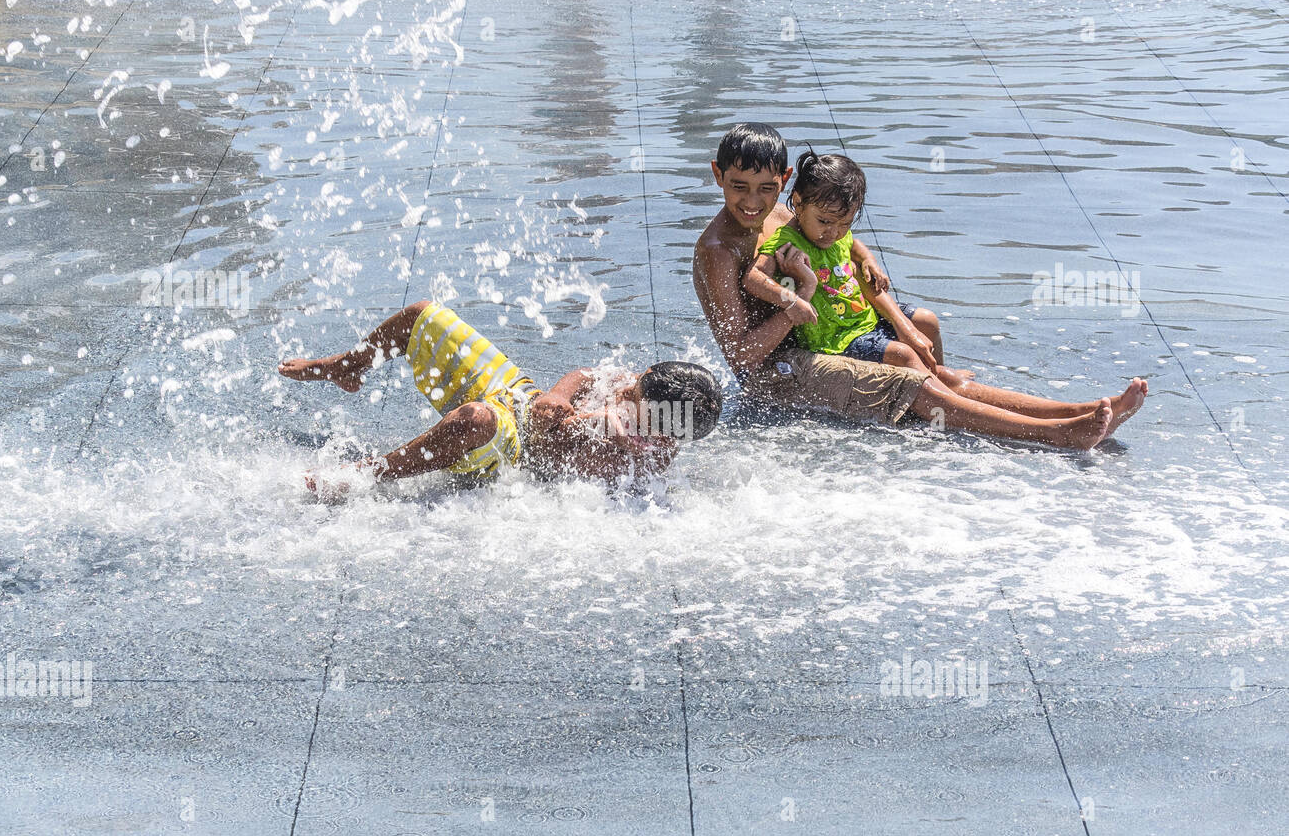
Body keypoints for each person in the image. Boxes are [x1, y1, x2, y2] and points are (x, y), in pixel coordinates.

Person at [694, 123, 1147, 449]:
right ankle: (1058, 434)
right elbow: (741, 357)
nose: (752, 202)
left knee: (926, 343)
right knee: (920, 384)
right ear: (717, 176)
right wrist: (797, 304)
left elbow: (838, 245)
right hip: (778, 372)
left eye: (764, 189)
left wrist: (870, 272)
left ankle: (1080, 408)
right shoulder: (719, 250)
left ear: (786, 183)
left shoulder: (783, 213)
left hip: (831, 330)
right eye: (738, 187)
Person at [278, 300, 722, 497]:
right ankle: (346, 367)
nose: (623, 391)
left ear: (659, 434)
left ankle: (365, 475)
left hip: (517, 449)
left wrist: (592, 422)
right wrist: (560, 393)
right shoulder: (645, 390)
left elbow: (547, 453)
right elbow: (588, 374)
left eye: (632, 401)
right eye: (634, 385)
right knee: (425, 317)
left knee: (474, 420)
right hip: (520, 395)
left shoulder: (636, 458)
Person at [746, 148, 970, 387]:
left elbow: (853, 242)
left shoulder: (836, 232)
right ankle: (937, 395)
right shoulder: (786, 241)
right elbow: (752, 277)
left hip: (863, 318)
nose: (833, 233)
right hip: (834, 339)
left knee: (928, 321)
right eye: (824, 221)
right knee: (904, 355)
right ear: (798, 204)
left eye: (845, 223)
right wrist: (792, 300)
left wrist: (868, 260)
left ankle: (937, 372)